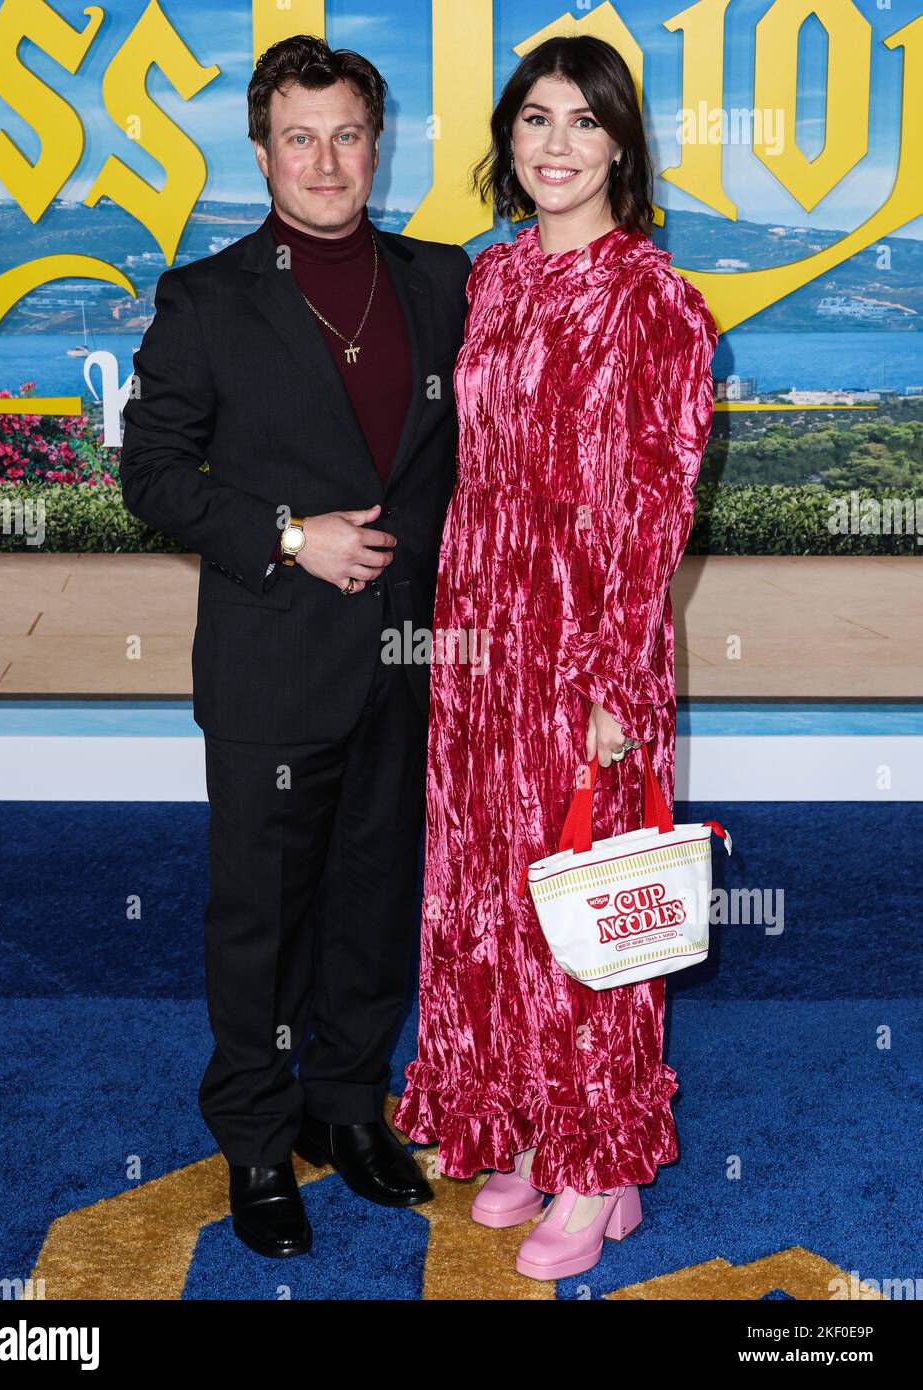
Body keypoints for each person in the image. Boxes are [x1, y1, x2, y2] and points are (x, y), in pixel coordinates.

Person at [119, 34, 471, 1259]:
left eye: (348, 134)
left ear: (379, 144)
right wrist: (284, 534)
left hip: (406, 659)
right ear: (262, 150)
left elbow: (471, 462)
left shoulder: (443, 280)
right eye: (300, 136)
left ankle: (347, 1103)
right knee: (261, 916)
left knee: (376, 897)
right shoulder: (209, 298)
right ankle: (260, 1140)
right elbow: (150, 473)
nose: (327, 160)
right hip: (274, 660)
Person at [392, 33, 718, 1281]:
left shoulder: (656, 302)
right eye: (535, 120)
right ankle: (527, 1120)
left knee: (596, 896)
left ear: (623, 146)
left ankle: (602, 1160)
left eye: (585, 122)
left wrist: (615, 684)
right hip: (483, 639)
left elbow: (653, 507)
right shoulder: (497, 281)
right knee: (492, 894)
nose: (557, 145)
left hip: (589, 649)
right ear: (507, 140)